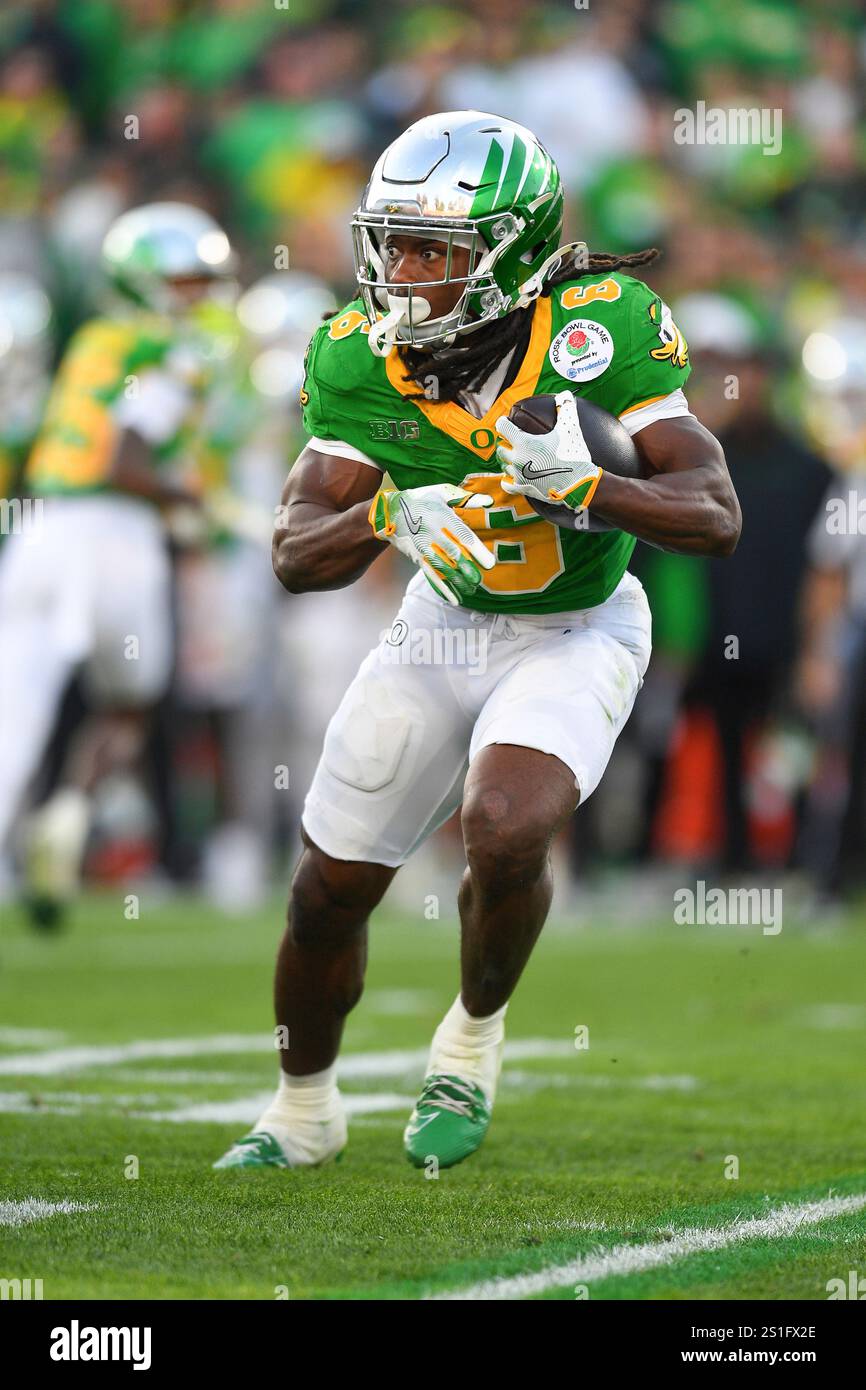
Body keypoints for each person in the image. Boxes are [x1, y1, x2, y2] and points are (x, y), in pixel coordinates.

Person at [215, 111, 740, 1174]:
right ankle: (301, 1109)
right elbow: (290, 548)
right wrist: (384, 519)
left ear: (508, 254)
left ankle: (468, 1040)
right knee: (328, 889)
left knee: (501, 828)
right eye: (389, 243)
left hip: (576, 624)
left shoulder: (598, 328)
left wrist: (592, 487)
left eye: (431, 252)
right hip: (439, 623)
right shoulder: (359, 356)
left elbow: (713, 510)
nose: (398, 274)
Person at [0, 201, 234, 923]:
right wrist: (182, 493)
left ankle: (37, 833)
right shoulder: (175, 350)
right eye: (187, 279)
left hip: (40, 527)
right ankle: (71, 805)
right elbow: (125, 458)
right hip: (117, 537)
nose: (199, 294)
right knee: (132, 699)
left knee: (17, 708)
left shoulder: (96, 338)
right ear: (150, 280)